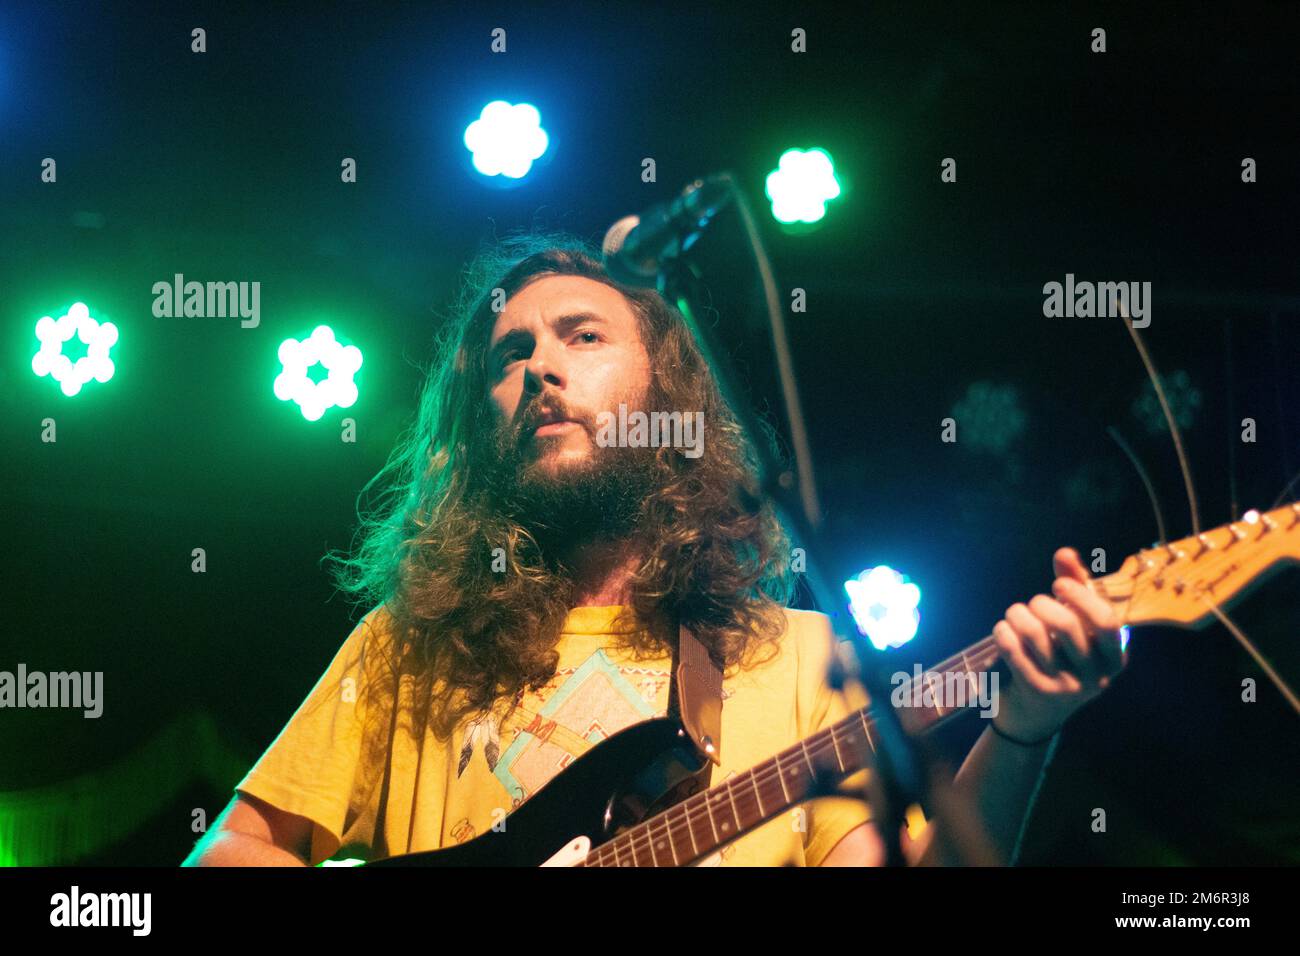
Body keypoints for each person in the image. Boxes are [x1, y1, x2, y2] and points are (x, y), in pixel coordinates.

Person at [183, 235, 1126, 867]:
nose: (540, 369)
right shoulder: (409, 646)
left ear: (668, 391)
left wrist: (1021, 729)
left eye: (581, 336)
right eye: (510, 355)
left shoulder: (797, 656)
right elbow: (230, 853)